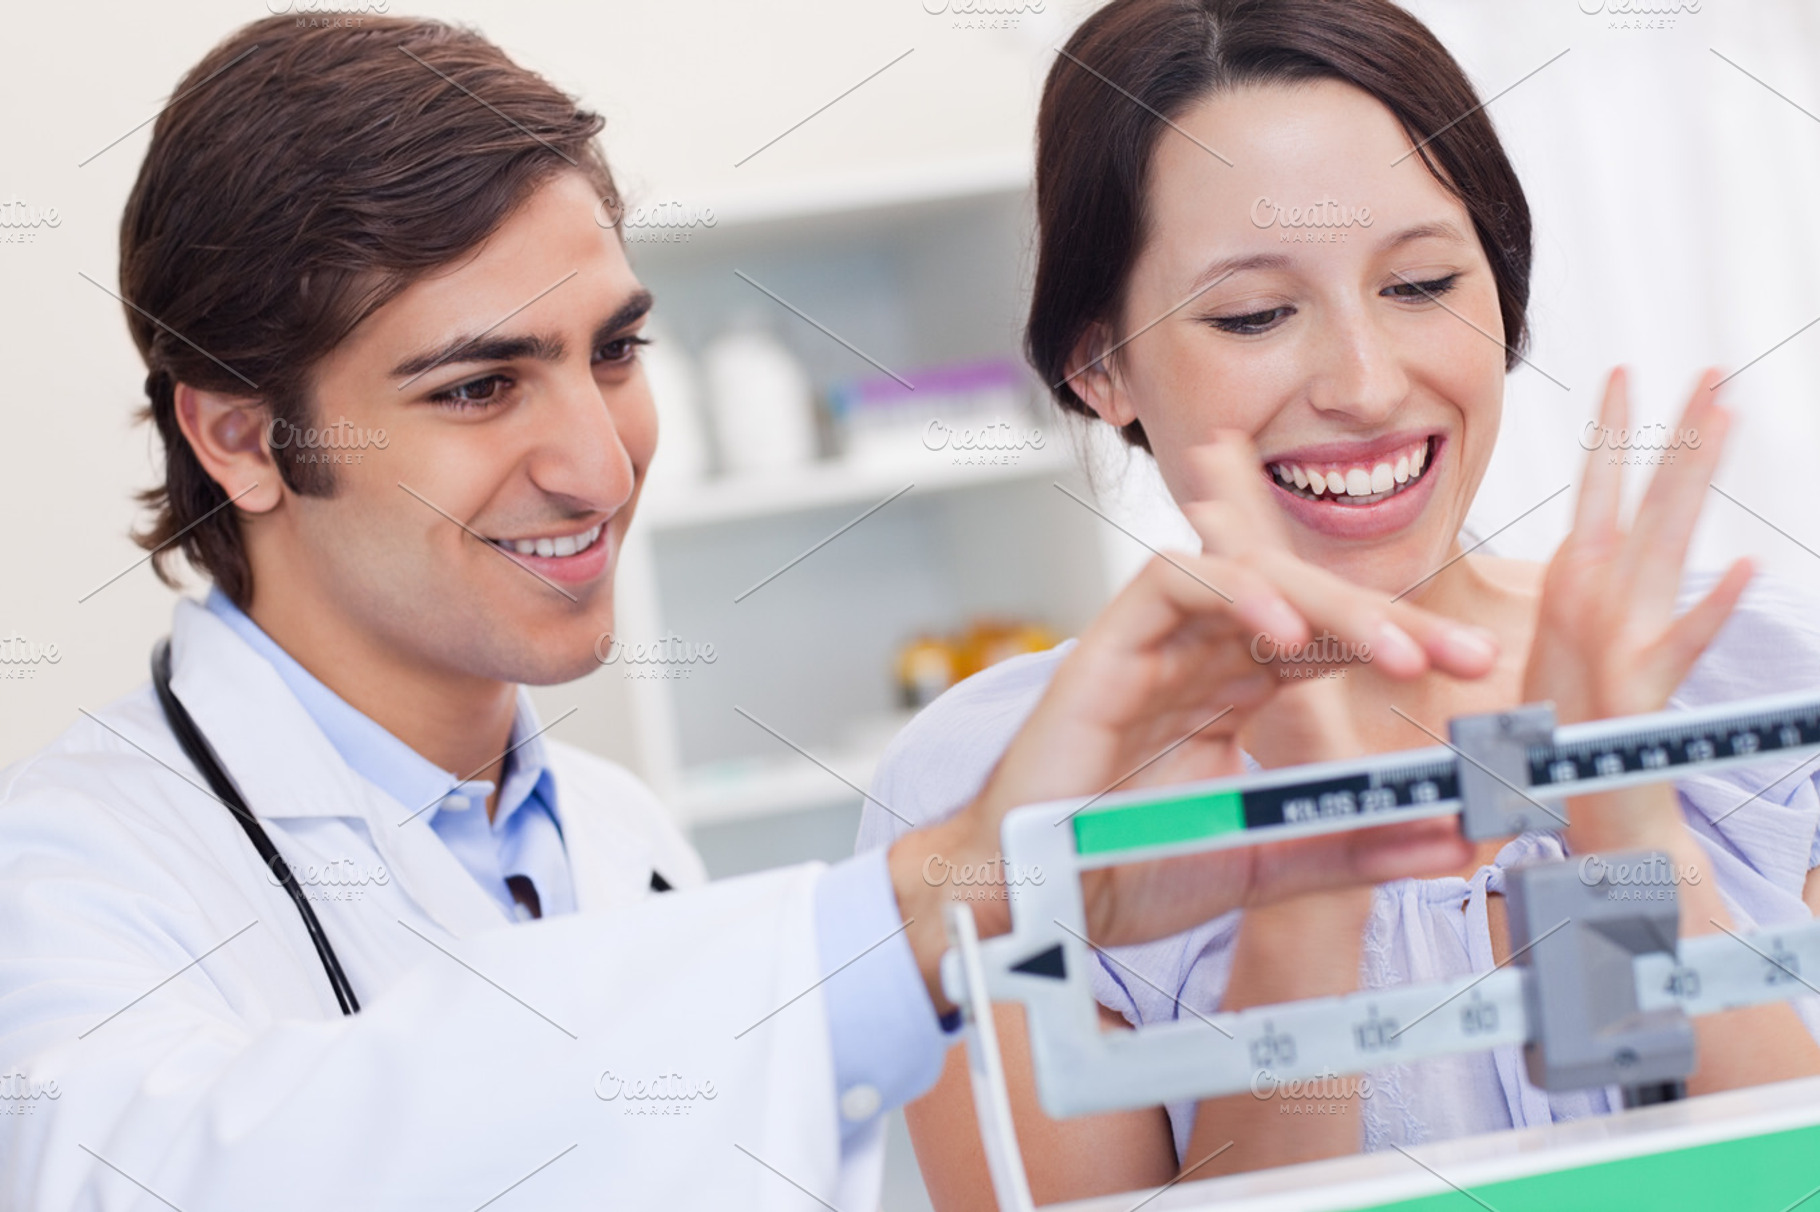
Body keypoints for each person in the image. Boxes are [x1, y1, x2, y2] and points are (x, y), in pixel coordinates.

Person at [0, 15, 1505, 1210]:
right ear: (242, 438)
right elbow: (128, 1174)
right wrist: (923, 912)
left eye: (612, 352)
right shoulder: (75, 873)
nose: (598, 462)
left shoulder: (616, 838)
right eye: (477, 386)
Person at [855, 0, 1820, 1206]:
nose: (1364, 386)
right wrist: (1305, 908)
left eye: (1419, 283)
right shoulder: (994, 787)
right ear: (1098, 364)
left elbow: (1753, 1179)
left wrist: (1623, 834)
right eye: (1254, 314)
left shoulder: (1752, 675)